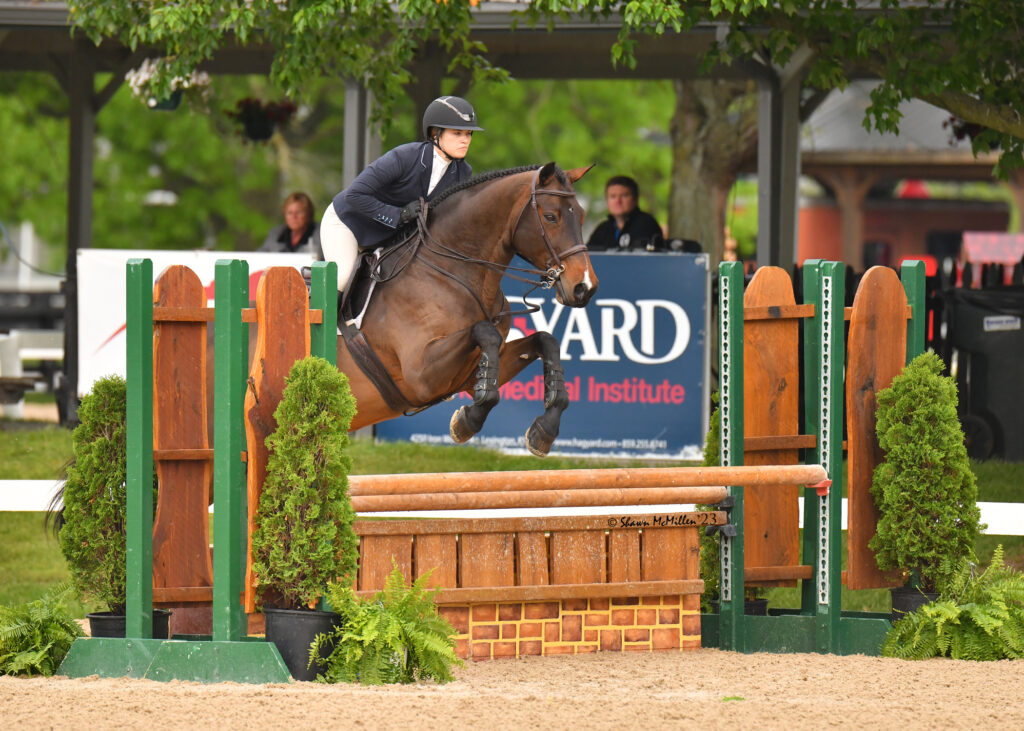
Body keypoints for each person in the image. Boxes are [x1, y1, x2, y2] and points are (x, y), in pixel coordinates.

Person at [320, 95, 483, 293]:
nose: (465, 140)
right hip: (349, 222)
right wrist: (400, 215)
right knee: (344, 279)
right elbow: (354, 195)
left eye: (468, 134)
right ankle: (311, 313)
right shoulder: (405, 157)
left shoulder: (462, 172)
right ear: (434, 133)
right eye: (457, 133)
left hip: (392, 237)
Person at [586, 175, 665, 252]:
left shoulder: (647, 225)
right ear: (607, 201)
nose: (618, 201)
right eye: (613, 196)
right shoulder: (602, 229)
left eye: (624, 196)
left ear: (635, 199)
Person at [259, 191, 323, 258]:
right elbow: (258, 257)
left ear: (308, 213)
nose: (294, 217)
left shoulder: (321, 234)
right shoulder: (275, 235)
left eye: (299, 212)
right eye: (290, 213)